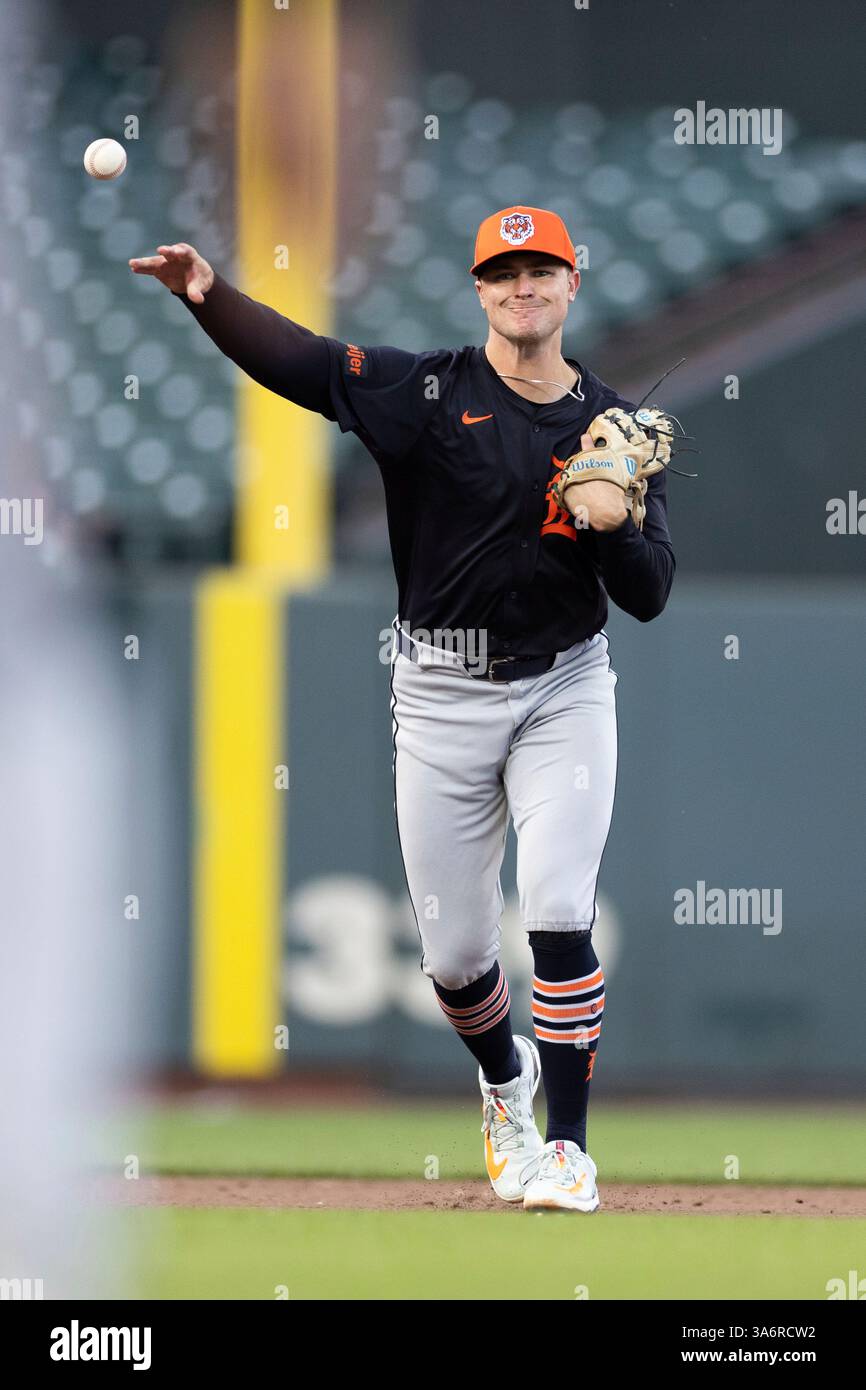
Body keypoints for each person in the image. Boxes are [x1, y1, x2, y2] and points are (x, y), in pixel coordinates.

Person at [129, 204, 675, 1212]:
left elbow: (647, 593)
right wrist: (207, 295)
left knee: (556, 906)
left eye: (539, 271)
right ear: (480, 291)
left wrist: (612, 526)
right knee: (457, 960)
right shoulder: (425, 392)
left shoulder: (611, 423)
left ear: (571, 285)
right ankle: (502, 1086)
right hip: (438, 693)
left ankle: (566, 1151)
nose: (522, 287)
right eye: (502, 273)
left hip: (563, 685)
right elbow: (307, 364)